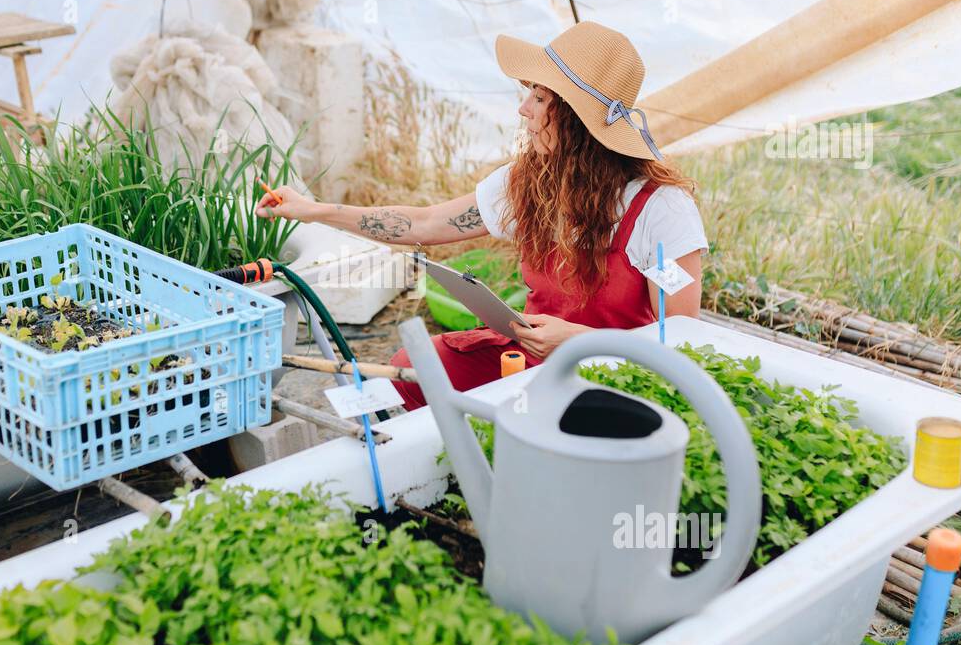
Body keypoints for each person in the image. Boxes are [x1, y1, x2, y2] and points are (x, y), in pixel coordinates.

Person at [253, 20, 707, 410]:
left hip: (614, 378)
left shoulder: (662, 211)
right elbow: (424, 224)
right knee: (409, 371)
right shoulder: (529, 181)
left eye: (541, 98)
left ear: (578, 120)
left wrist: (578, 340)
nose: (523, 108)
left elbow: (681, 343)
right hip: (529, 357)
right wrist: (312, 210)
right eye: (528, 93)